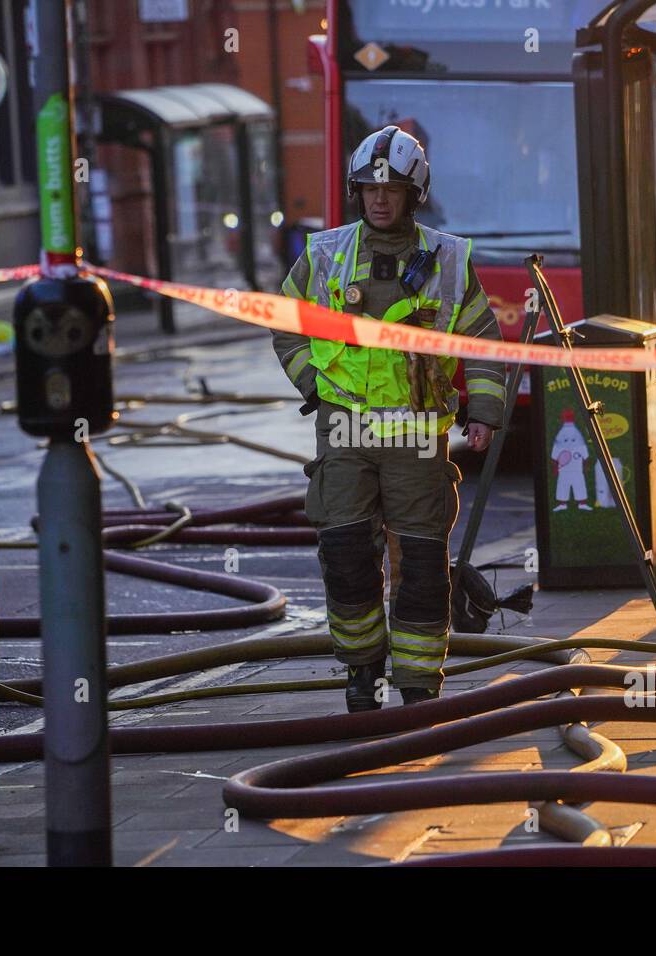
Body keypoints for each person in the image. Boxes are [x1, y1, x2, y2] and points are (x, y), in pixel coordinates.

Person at [272, 126, 509, 711]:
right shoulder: (325, 255)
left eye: (393, 189)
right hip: (346, 430)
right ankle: (361, 672)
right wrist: (313, 383)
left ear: (414, 194)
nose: (380, 199)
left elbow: (481, 342)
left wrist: (483, 412)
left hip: (418, 435)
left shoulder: (448, 260)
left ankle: (419, 684)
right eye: (369, 189)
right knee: (347, 556)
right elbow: (286, 321)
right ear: (357, 192)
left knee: (424, 564)